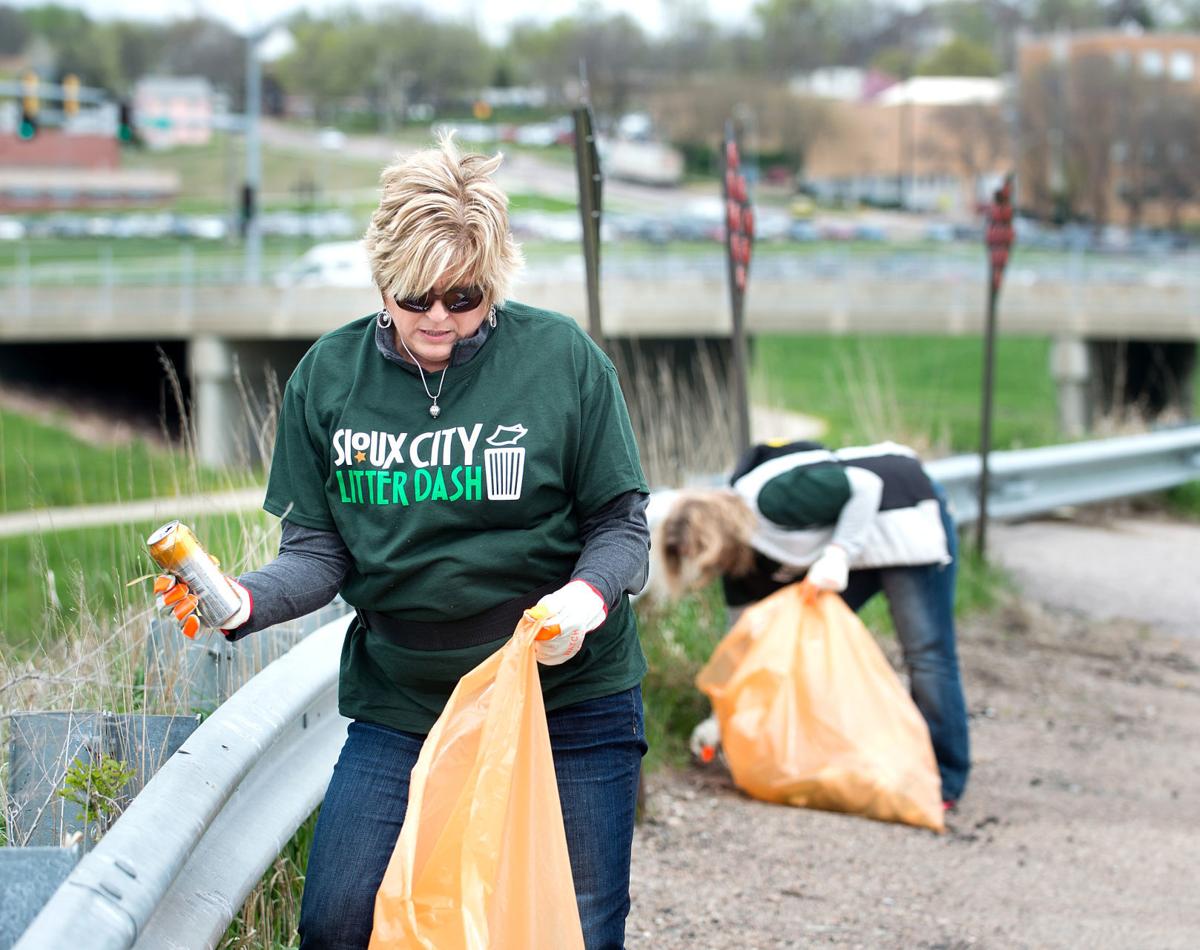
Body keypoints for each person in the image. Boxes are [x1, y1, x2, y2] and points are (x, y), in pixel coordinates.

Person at [155, 134, 651, 949]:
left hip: (568, 695)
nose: (440, 320)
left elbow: (621, 523)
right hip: (406, 698)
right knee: (338, 921)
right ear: (382, 279)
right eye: (417, 298)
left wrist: (586, 598)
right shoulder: (328, 378)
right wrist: (244, 600)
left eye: (465, 299)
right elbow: (319, 552)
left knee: (578, 928)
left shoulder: (562, 360)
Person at [659, 439, 969, 807]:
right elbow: (743, 642)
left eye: (704, 558)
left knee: (927, 652)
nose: (709, 571)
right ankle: (853, 755)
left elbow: (866, 486)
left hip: (903, 514)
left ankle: (945, 780)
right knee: (802, 641)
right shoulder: (739, 564)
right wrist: (719, 719)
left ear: (717, 535)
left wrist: (838, 555)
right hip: (859, 545)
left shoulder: (773, 500)